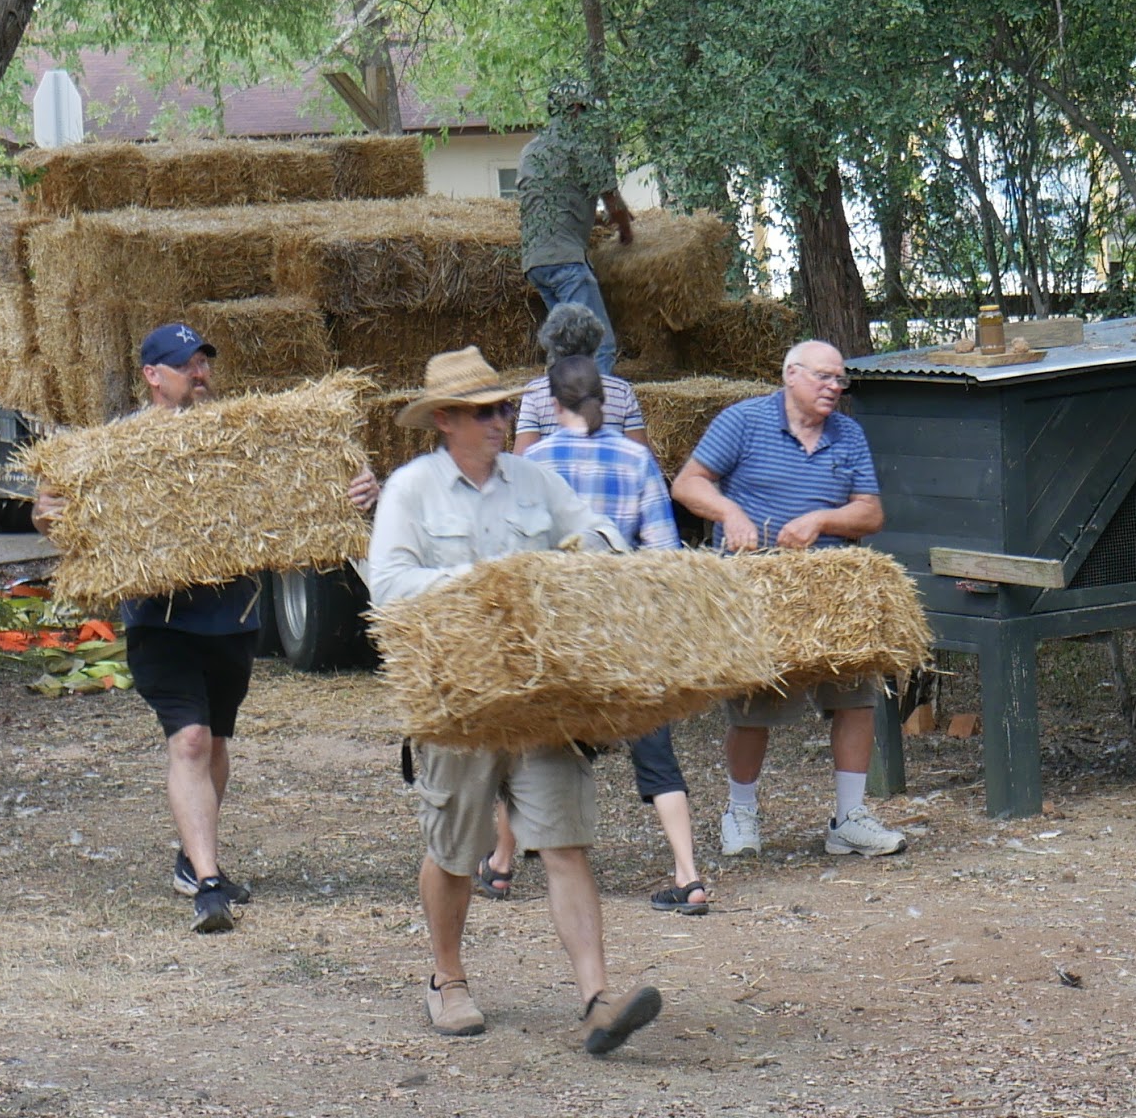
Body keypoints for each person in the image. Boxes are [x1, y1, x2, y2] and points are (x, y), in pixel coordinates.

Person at [34, 322, 379, 934]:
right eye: (186, 364)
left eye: (204, 363)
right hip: (158, 622)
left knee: (216, 744)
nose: (201, 374)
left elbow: (306, 496)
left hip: (233, 619)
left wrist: (354, 490)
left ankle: (192, 860)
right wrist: (47, 512)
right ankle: (210, 884)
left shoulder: (241, 440)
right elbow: (58, 511)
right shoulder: (116, 446)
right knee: (189, 740)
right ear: (152, 375)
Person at [368, 345, 663, 1054]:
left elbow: (597, 533)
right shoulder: (412, 491)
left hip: (540, 696)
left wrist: (587, 559)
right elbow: (387, 590)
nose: (502, 419)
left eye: (503, 407)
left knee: (565, 841)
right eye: (484, 411)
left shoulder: (534, 481)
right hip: (458, 702)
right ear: (445, 420)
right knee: (456, 847)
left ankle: (596, 1000)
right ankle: (448, 981)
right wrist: (483, 582)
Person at [478, 355, 707, 916]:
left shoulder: (530, 462)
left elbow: (512, 556)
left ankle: (502, 866)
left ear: (551, 405)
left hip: (556, 632)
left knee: (529, 746)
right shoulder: (636, 458)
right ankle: (689, 875)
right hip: (624, 626)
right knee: (655, 751)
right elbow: (664, 553)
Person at [670, 339, 905, 859]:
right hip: (761, 582)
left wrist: (823, 519)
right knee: (755, 704)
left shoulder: (849, 435)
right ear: (790, 376)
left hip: (833, 586)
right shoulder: (743, 422)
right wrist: (730, 514)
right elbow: (687, 484)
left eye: (839, 380)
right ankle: (742, 814)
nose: (833, 388)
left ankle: (849, 819)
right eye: (823, 377)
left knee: (856, 699)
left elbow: (870, 513)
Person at [518, 80, 634, 376]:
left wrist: (589, 219)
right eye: (584, 111)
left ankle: (561, 410)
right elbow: (613, 201)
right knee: (599, 345)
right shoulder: (581, 147)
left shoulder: (531, 151)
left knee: (565, 349)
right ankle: (600, 415)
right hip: (567, 263)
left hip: (535, 264)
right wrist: (625, 232)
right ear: (575, 109)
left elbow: (550, 201)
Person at [512, 301, 649, 455]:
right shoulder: (622, 391)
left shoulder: (534, 393)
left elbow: (522, 458)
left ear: (550, 344)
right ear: (595, 344)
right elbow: (641, 454)